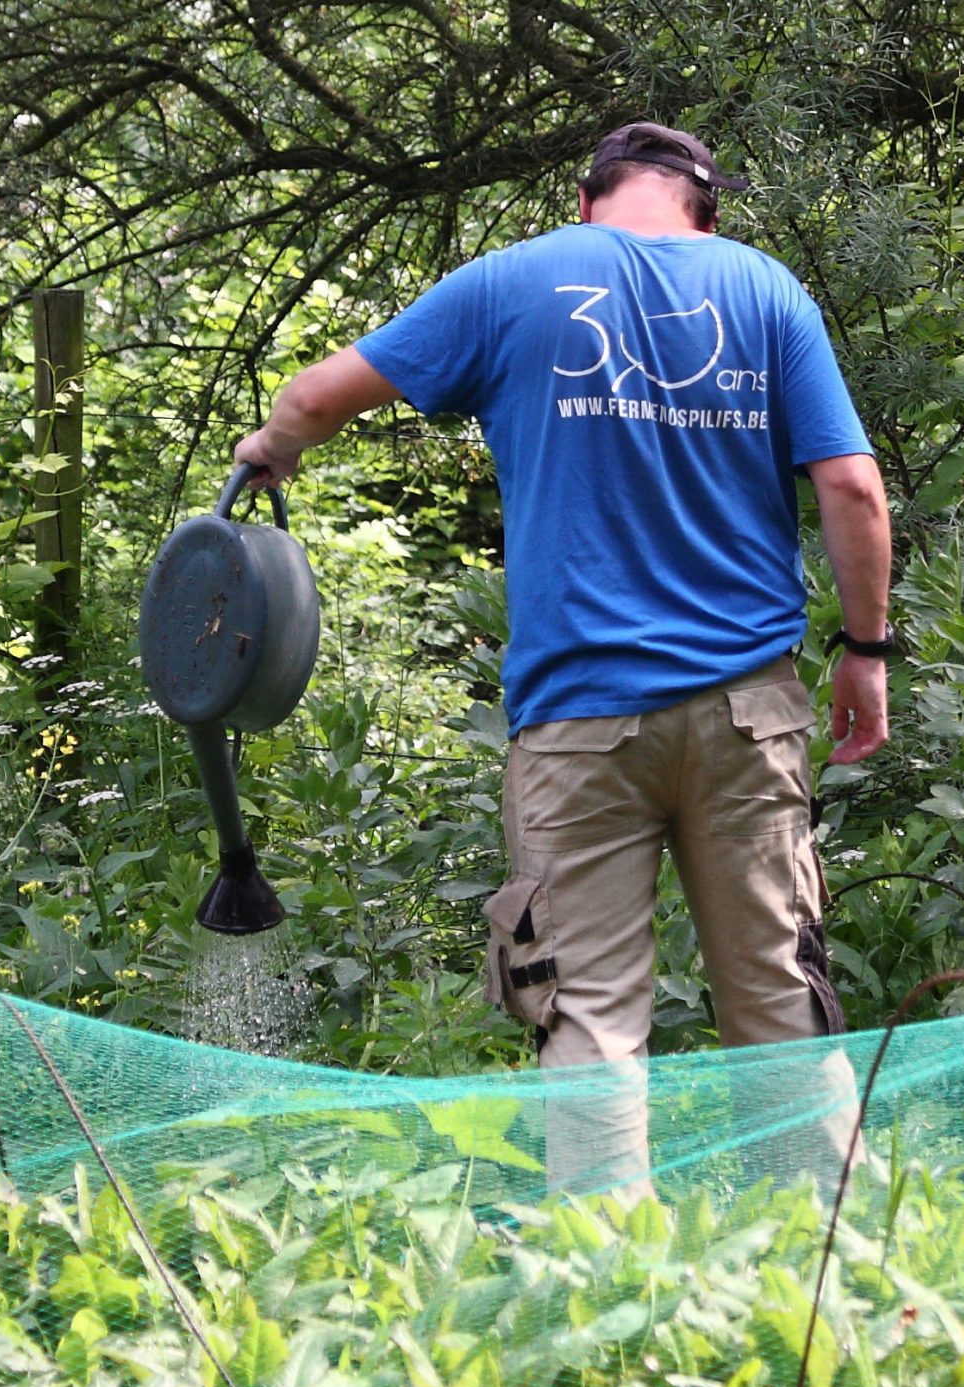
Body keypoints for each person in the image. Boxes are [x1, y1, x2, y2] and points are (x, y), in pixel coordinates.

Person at [234, 121, 892, 1194]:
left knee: (585, 1014)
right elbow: (853, 490)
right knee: (779, 997)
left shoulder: (514, 279)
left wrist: (273, 450)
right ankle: (813, 1273)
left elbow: (313, 398)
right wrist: (864, 650)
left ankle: (607, 1303)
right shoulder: (764, 291)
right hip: (748, 717)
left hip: (576, 722)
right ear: (704, 211)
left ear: (585, 200)